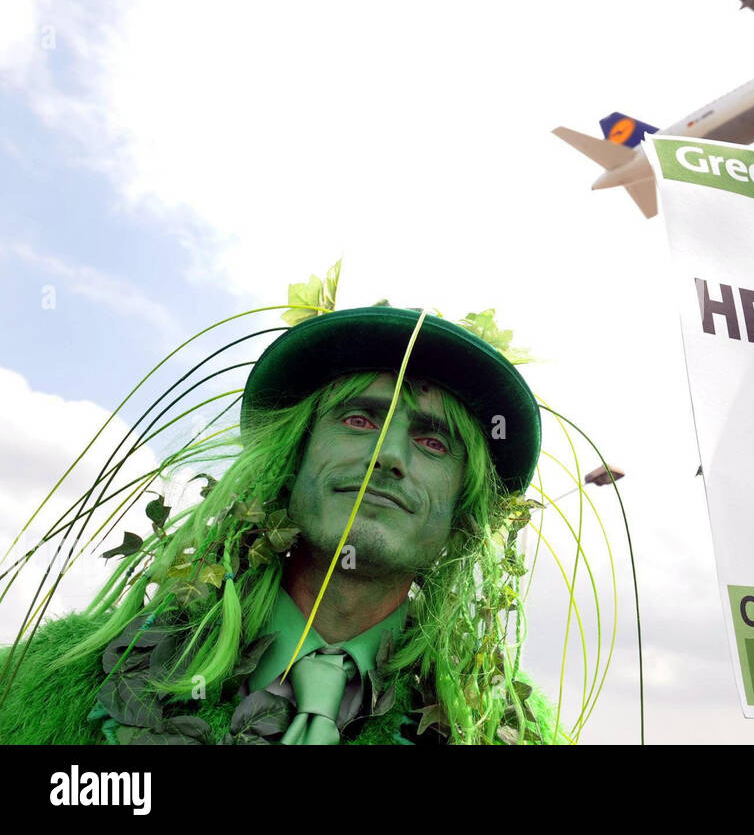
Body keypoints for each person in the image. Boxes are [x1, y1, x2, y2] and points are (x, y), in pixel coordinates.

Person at [0, 304, 558, 744]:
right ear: (289, 464)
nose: (388, 456)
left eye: (433, 441)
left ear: (463, 513)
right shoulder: (49, 678)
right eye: (360, 418)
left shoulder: (506, 732)